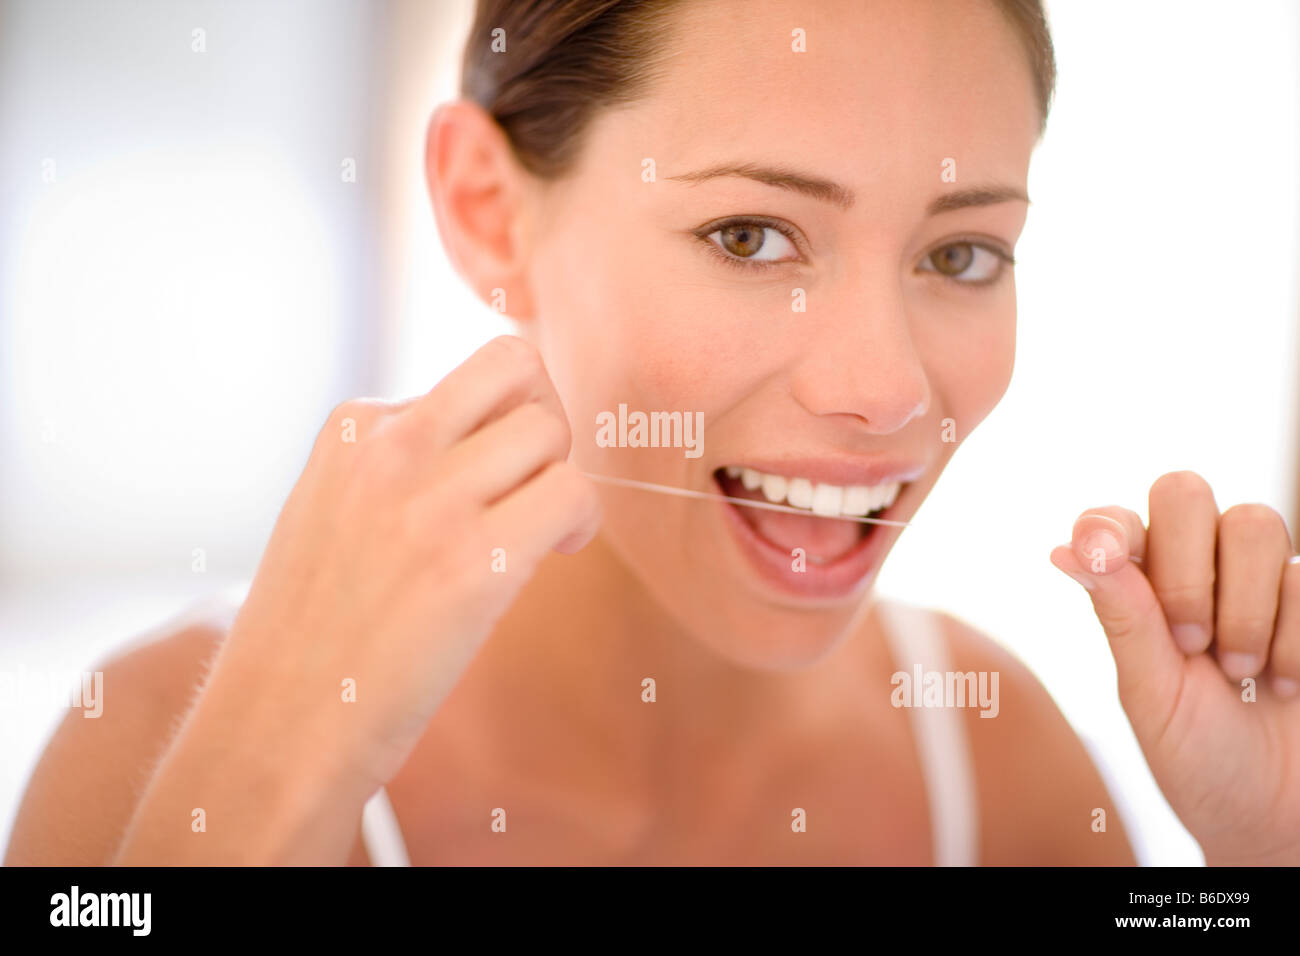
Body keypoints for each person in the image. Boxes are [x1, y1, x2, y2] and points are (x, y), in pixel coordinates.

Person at [6, 0, 1298, 866]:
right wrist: (258, 803)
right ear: (489, 212)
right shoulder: (156, 748)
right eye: (749, 236)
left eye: (961, 253)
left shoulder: (1005, 764)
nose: (888, 389)